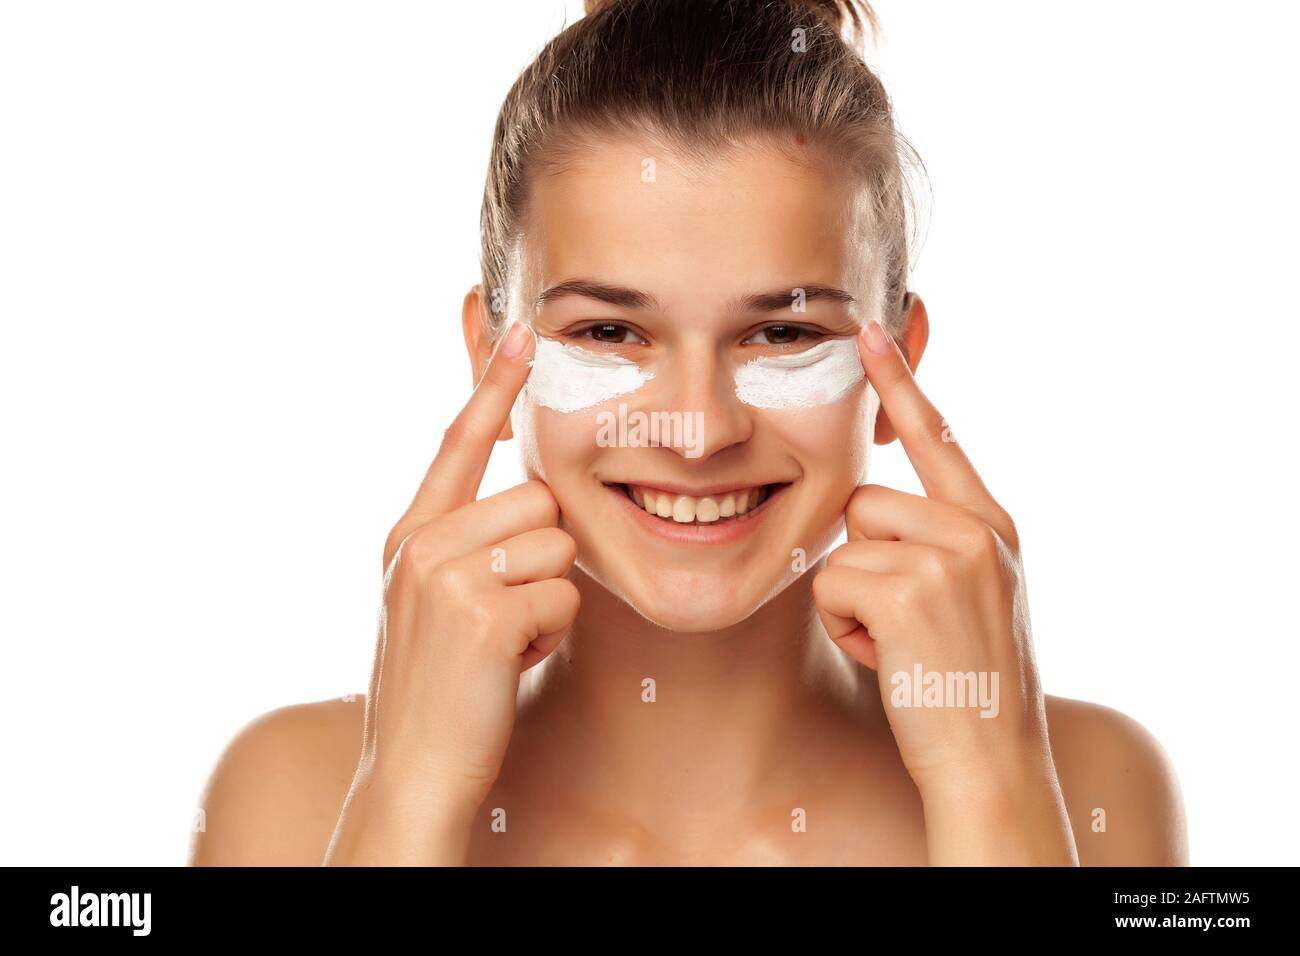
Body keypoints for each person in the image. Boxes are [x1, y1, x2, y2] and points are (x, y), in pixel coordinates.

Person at [190, 0, 1187, 866]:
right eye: (611, 330)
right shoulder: (288, 795)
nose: (699, 428)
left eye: (783, 331)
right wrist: (408, 790)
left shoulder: (1093, 783)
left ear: (898, 367)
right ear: (491, 350)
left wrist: (990, 786)